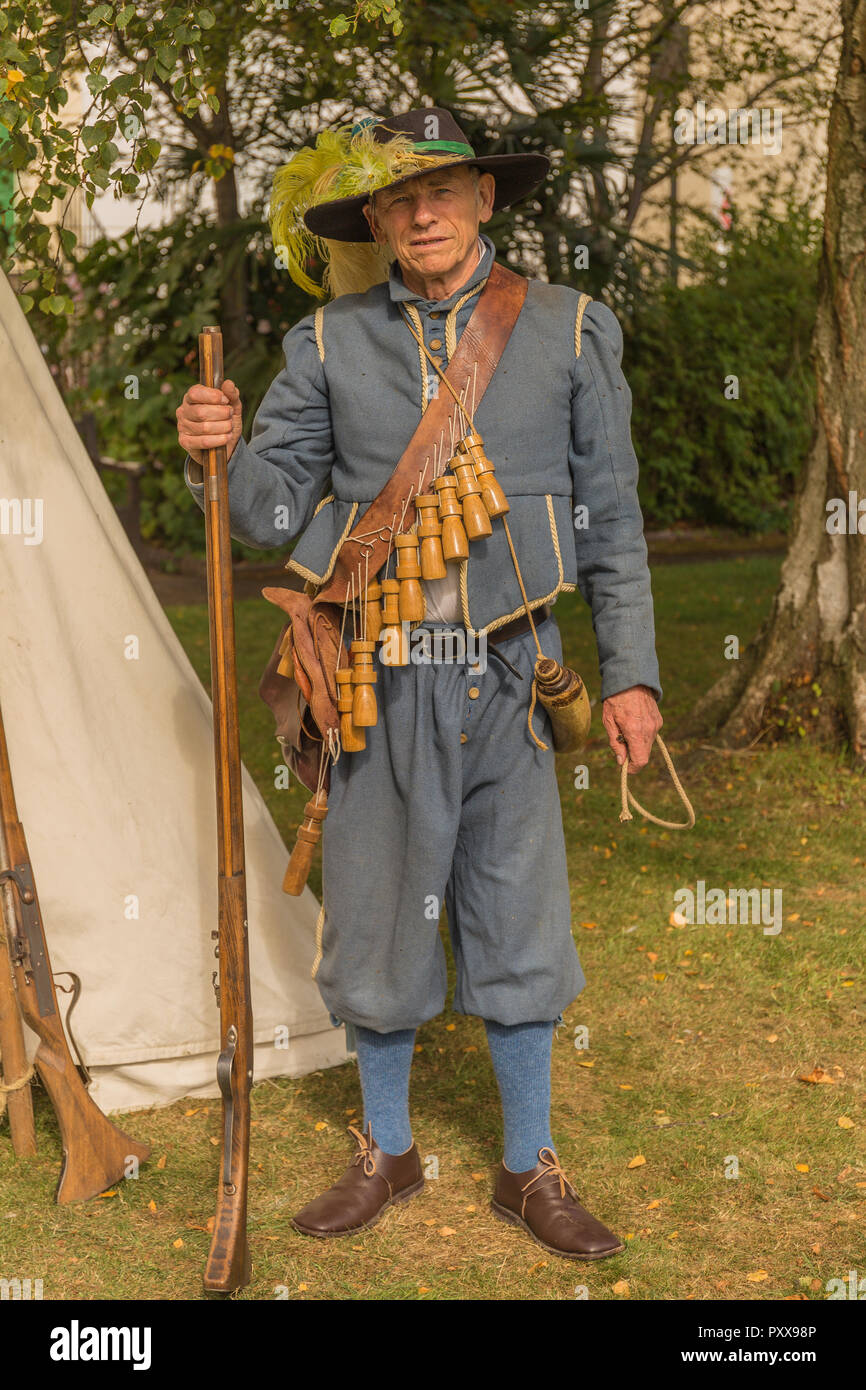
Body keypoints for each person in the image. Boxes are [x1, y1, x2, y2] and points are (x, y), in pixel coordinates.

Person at [176, 107, 663, 1262]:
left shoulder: (568, 328)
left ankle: (524, 1165)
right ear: (379, 221)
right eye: (400, 199)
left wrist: (632, 676)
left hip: (510, 672)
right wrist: (223, 449)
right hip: (378, 678)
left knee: (518, 918)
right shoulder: (332, 342)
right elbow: (269, 513)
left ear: (484, 199)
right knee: (380, 917)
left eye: (444, 190)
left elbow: (615, 522)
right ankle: (385, 1148)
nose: (424, 212)